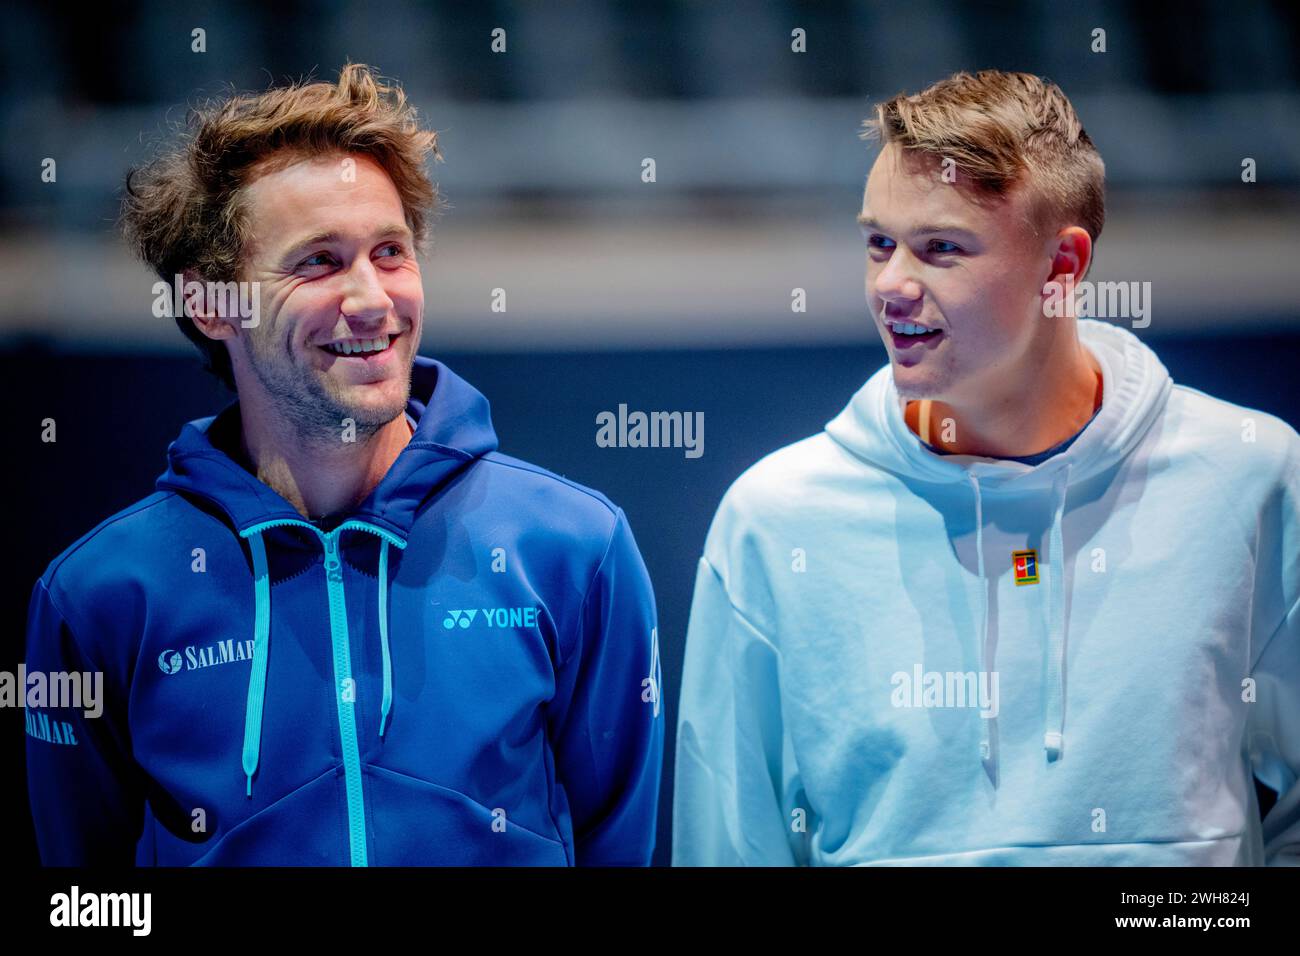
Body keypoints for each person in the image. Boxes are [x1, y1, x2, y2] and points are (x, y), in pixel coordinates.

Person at [25, 63, 662, 866]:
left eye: (390, 252)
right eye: (318, 262)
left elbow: (624, 848)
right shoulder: (98, 594)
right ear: (211, 303)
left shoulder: (575, 548)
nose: (370, 299)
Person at [672, 70, 1299, 865]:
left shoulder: (1249, 477)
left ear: (1061, 266)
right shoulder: (774, 518)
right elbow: (730, 845)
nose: (891, 286)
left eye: (940, 249)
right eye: (877, 243)